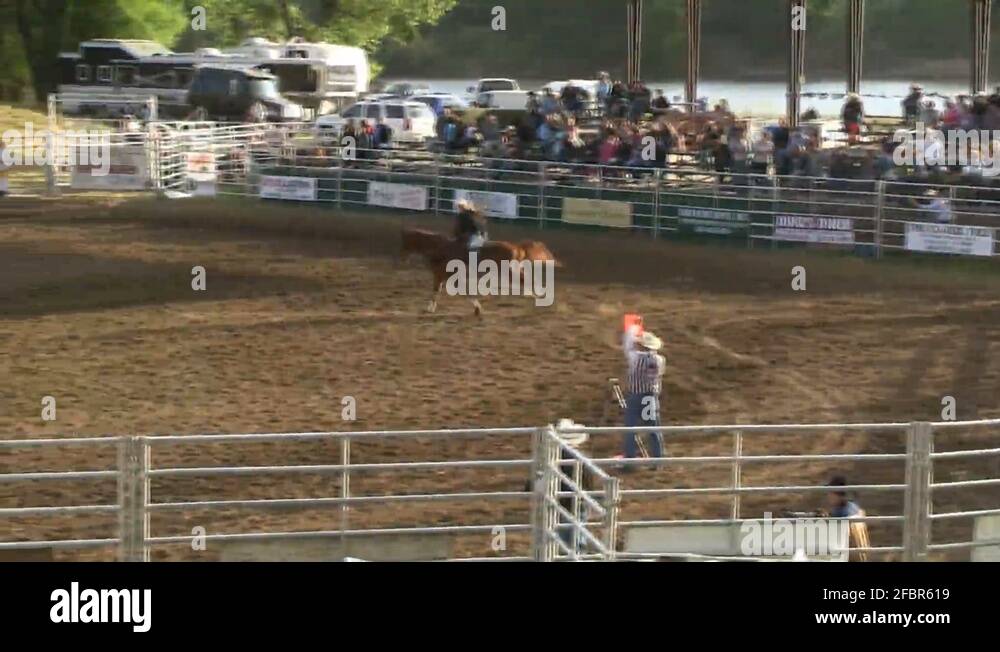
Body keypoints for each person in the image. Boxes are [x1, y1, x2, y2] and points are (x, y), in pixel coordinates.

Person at [622, 324, 665, 461]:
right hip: (650, 397)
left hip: (635, 395)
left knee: (630, 428)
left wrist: (631, 330)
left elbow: (627, 347)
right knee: (653, 428)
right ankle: (658, 459)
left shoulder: (636, 358)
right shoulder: (659, 360)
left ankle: (630, 458)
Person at [826, 475, 870, 561]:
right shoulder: (854, 507)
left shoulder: (842, 514)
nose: (828, 496)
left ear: (836, 495)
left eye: (830, 493)